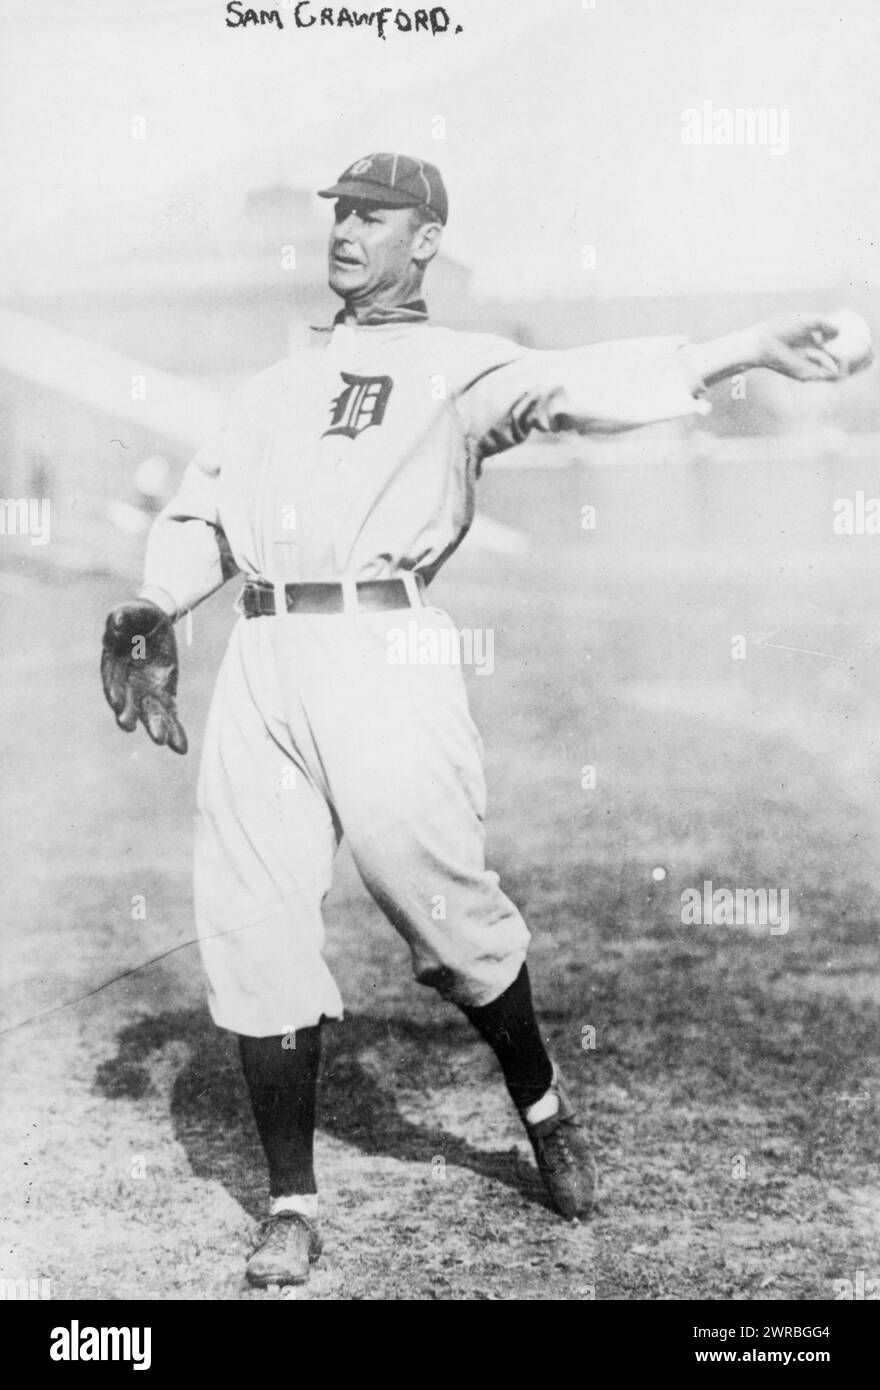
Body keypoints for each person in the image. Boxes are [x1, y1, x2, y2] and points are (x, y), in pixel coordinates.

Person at [101, 151, 847, 1289]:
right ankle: (291, 1204)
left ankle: (542, 1104)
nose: (347, 229)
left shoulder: (462, 366)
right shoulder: (270, 387)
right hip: (262, 650)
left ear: (427, 237)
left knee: (441, 908)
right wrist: (154, 604)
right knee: (251, 924)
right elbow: (204, 513)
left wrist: (738, 347)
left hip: (384, 645)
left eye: (375, 214)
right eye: (339, 212)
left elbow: (575, 388)